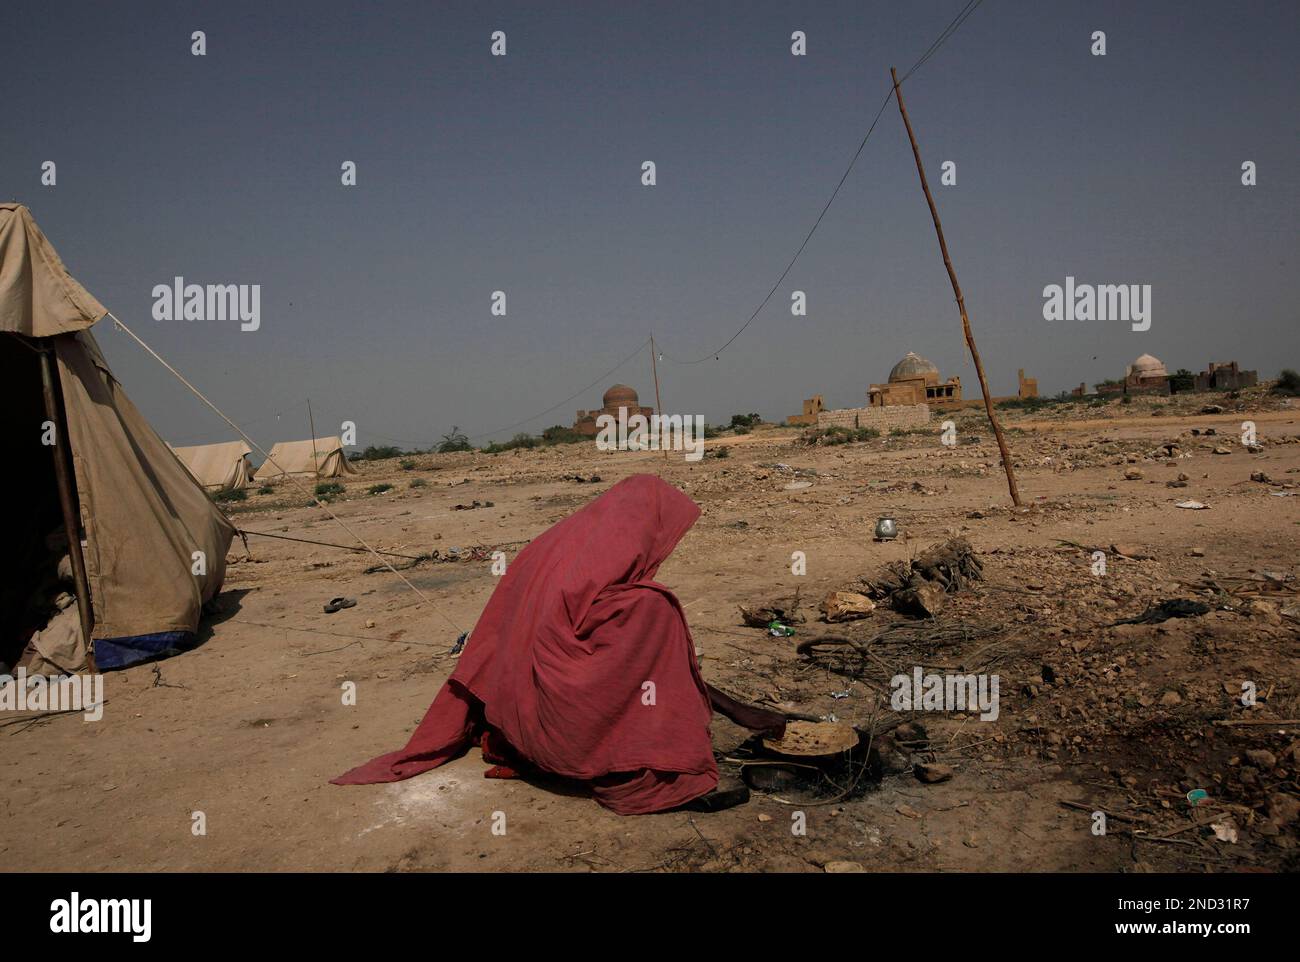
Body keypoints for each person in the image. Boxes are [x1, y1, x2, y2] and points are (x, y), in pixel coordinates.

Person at [333, 473, 783, 814]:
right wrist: (733, 709)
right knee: (652, 610)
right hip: (564, 743)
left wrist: (733, 707)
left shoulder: (552, 549)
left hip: (519, 728)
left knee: (642, 616)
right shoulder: (637, 605)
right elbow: (638, 674)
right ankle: (638, 775)